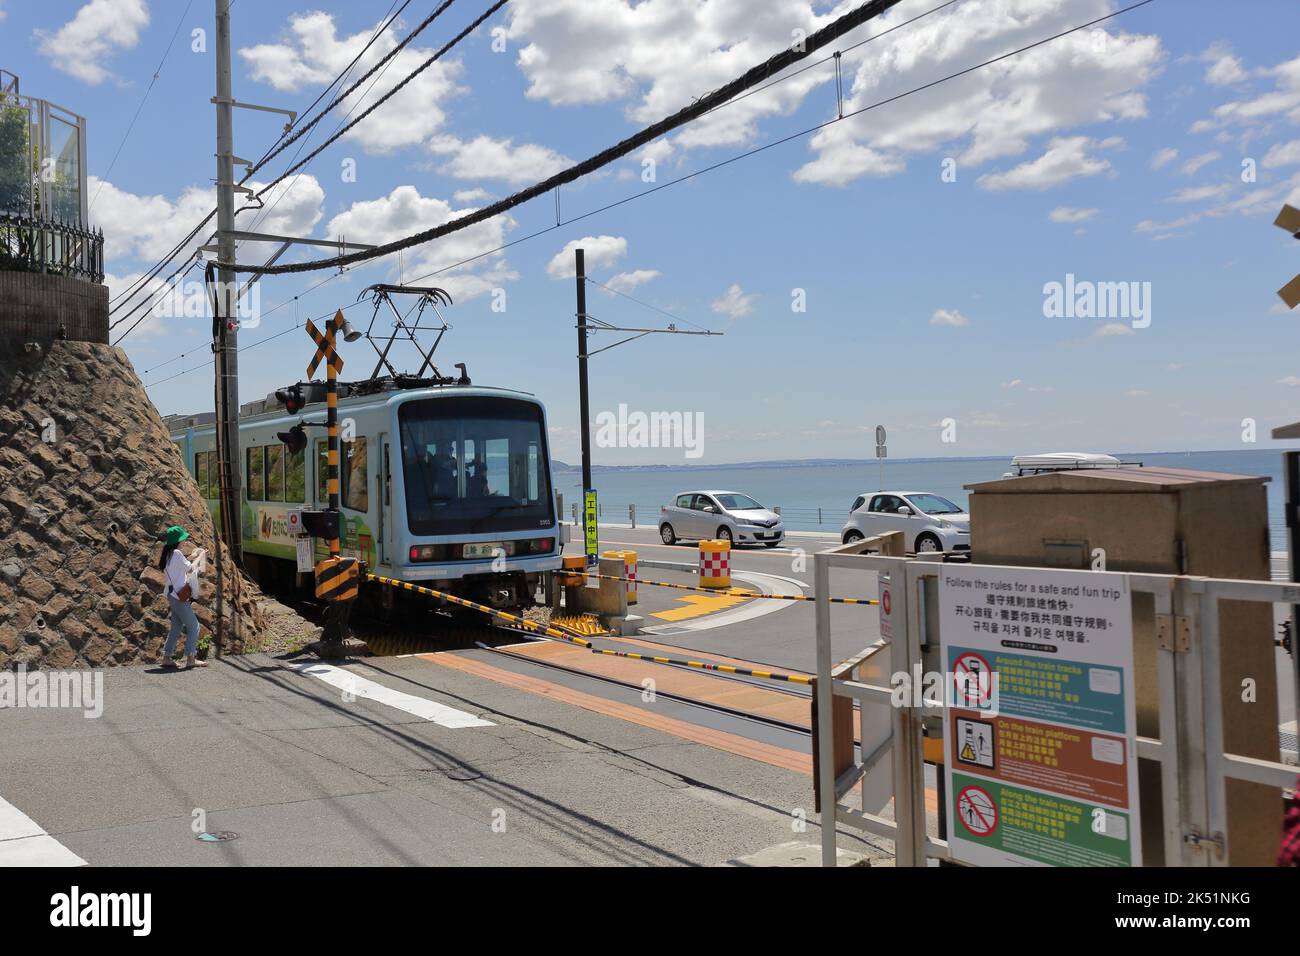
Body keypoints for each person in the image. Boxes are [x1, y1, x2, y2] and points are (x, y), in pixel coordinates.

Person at [158, 525, 207, 670]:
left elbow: (181, 565)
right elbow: (190, 568)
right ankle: (191, 658)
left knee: (176, 627)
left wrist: (192, 557)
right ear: (178, 541)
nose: (184, 541)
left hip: (172, 595)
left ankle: (166, 657)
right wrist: (200, 556)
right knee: (194, 626)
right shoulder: (177, 554)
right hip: (180, 597)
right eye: (183, 539)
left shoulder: (168, 554)